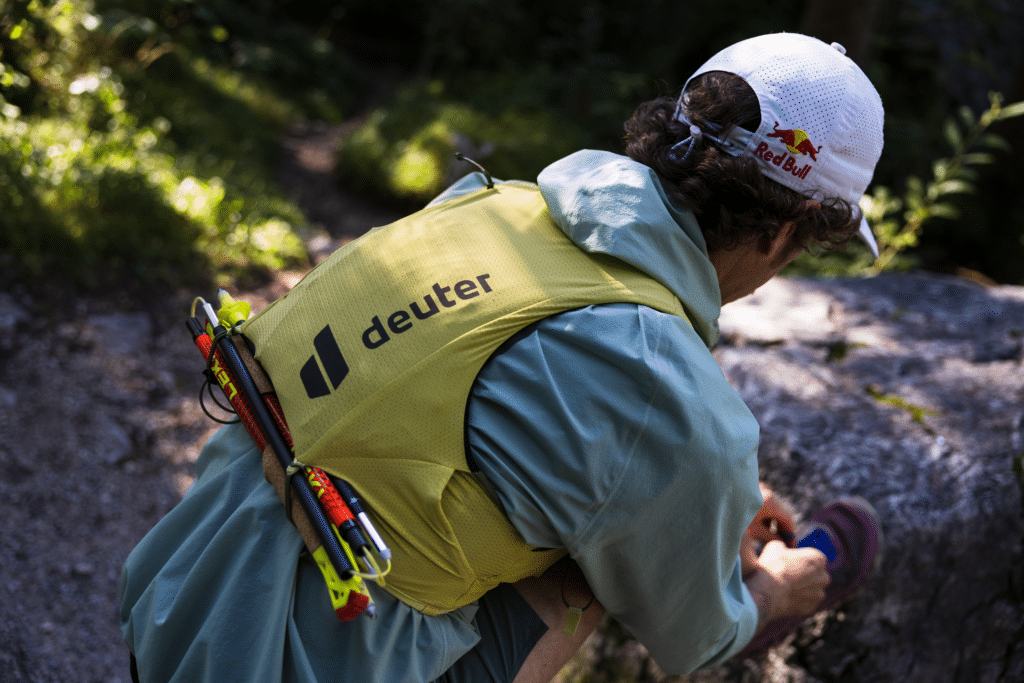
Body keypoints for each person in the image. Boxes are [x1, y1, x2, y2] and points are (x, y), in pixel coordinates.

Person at [120, 32, 884, 683]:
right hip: (270, 660)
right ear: (795, 229)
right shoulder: (666, 393)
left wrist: (711, 489)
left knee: (606, 487)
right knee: (593, 566)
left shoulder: (491, 205)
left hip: (179, 590)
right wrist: (779, 591)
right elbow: (698, 639)